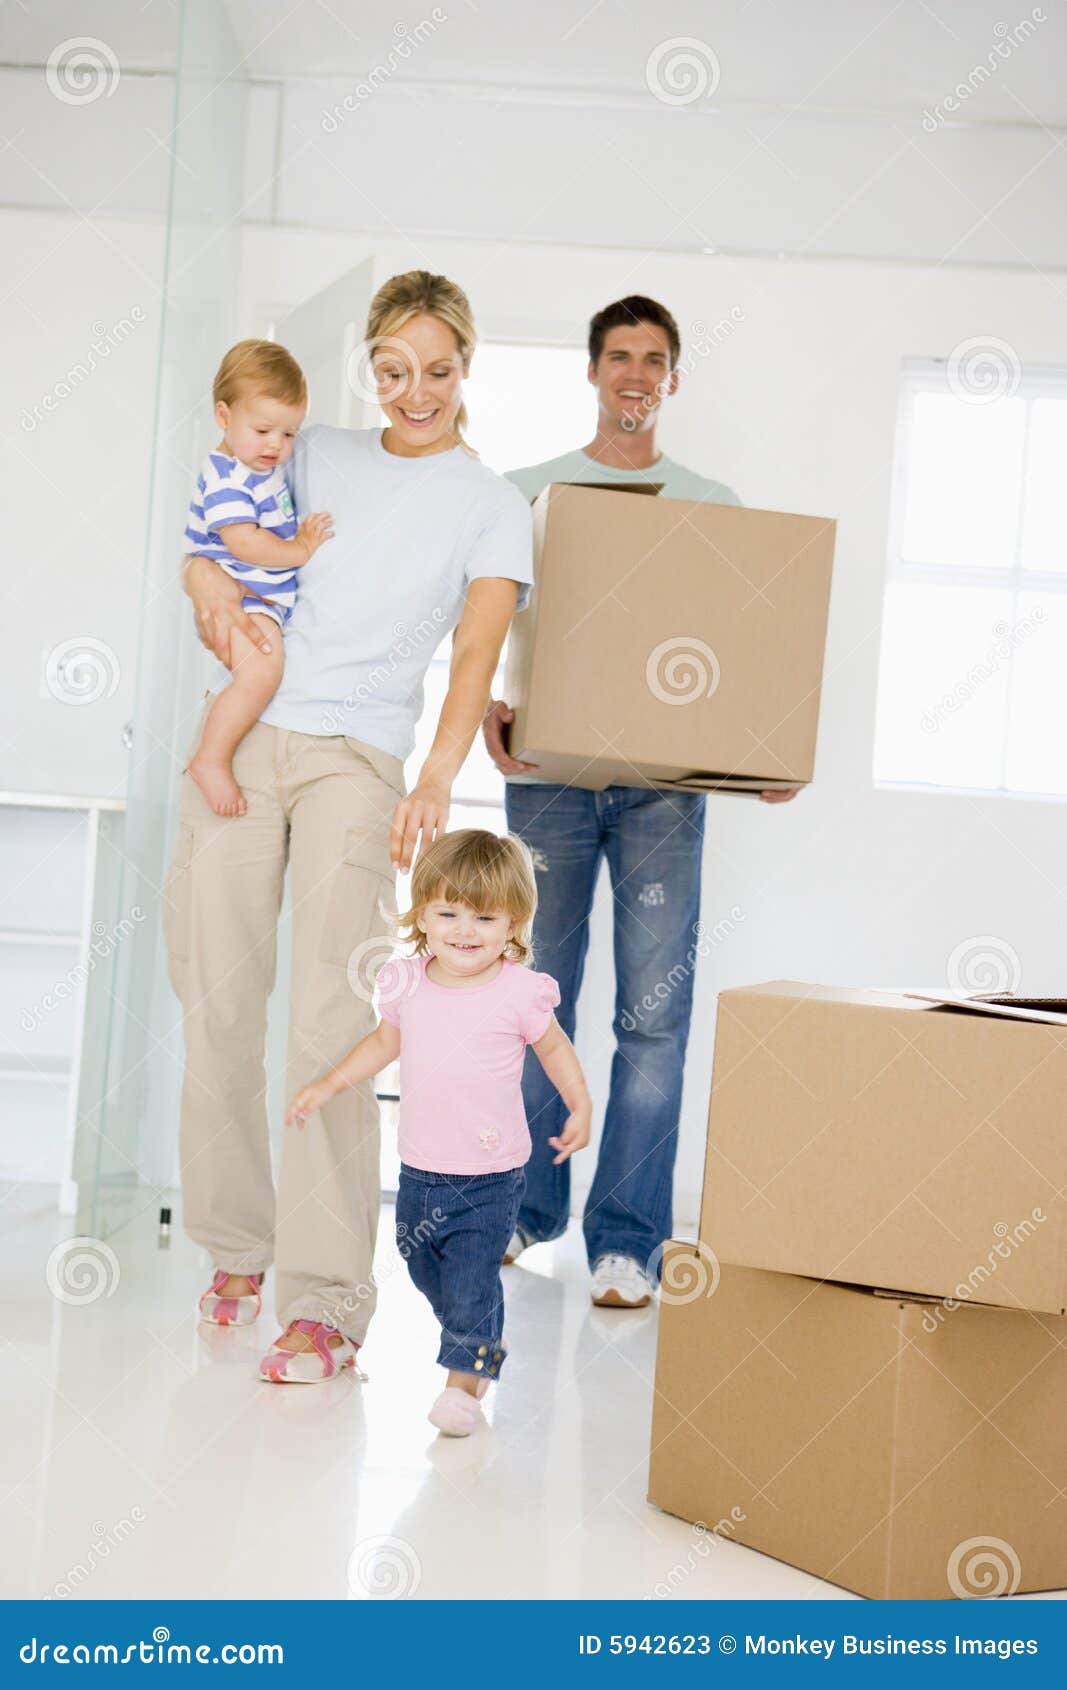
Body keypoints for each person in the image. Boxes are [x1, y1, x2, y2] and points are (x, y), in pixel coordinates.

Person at [165, 270, 535, 1383]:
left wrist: (435, 775)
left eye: (436, 370)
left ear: (466, 366)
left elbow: (474, 653)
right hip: (247, 736)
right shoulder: (315, 450)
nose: (414, 392)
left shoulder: (488, 502)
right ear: (367, 366)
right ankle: (235, 1246)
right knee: (217, 1002)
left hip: (359, 760)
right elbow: (214, 535)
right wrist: (201, 585)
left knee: (330, 1024)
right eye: (391, 370)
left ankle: (325, 1300)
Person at [484, 295, 799, 1310]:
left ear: (672, 378)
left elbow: (744, 644)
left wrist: (766, 750)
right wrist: (489, 707)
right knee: (533, 1003)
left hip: (662, 792)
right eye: (618, 356)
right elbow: (483, 626)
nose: (634, 373)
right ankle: (525, 1209)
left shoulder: (710, 502)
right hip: (548, 780)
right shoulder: (527, 494)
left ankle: (626, 1241)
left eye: (652, 359)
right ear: (591, 371)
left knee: (651, 1020)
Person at [286, 829, 591, 1433]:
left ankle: (464, 1384)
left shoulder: (520, 991)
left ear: (513, 923)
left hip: (491, 1177)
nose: (464, 930)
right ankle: (478, 1337)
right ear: (422, 913)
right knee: (423, 1265)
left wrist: (578, 1104)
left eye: (484, 917)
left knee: (472, 1281)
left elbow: (555, 1050)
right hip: (421, 1171)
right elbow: (383, 1044)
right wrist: (328, 1085)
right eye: (448, 913)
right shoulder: (406, 982)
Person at [181, 339, 334, 818]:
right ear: (223, 417)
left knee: (259, 673)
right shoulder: (228, 478)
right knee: (262, 672)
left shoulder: (254, 466)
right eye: (264, 430)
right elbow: (244, 543)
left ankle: (213, 756)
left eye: (289, 433)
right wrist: (300, 549)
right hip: (241, 597)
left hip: (257, 598)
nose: (276, 445)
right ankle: (211, 758)